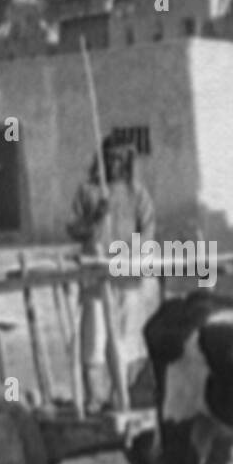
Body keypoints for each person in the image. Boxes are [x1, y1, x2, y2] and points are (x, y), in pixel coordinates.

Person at [67, 141, 156, 410]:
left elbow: (148, 230)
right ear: (102, 160)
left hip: (127, 278)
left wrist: (137, 255)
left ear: (127, 162)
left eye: (120, 159)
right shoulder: (89, 192)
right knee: (95, 337)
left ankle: (124, 393)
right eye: (110, 158)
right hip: (95, 277)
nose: (115, 164)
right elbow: (73, 229)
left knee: (128, 337)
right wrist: (95, 216)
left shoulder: (137, 194)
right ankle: (96, 396)